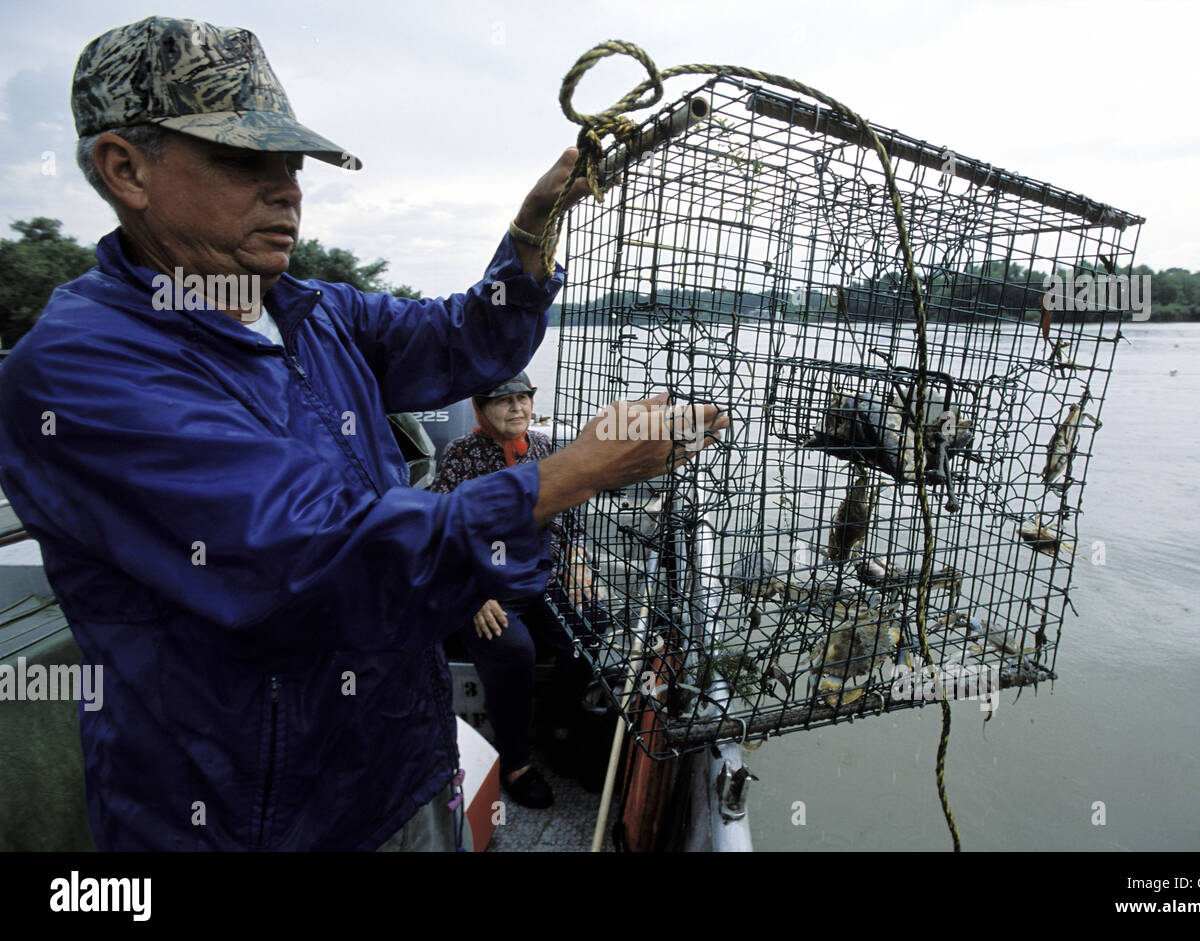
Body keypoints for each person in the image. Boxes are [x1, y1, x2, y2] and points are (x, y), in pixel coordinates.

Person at [0, 15, 727, 851]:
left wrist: (534, 226)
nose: (287, 189)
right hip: (248, 821)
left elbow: (466, 339)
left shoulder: (308, 310)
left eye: (293, 163)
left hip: (396, 761)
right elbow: (319, 559)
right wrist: (573, 475)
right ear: (124, 168)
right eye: (244, 160)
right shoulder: (82, 370)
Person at [432, 372, 604, 808]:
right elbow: (442, 532)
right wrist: (471, 592)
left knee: (591, 622)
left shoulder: (543, 449)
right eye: (503, 400)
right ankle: (516, 762)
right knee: (513, 649)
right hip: (484, 587)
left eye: (523, 398)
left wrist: (577, 559)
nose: (517, 408)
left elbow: (566, 511)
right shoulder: (461, 455)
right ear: (481, 407)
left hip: (538, 575)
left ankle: (558, 727)